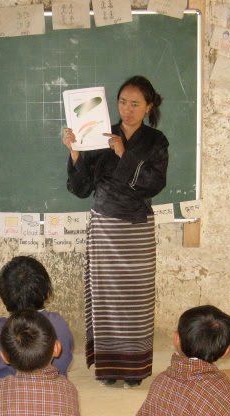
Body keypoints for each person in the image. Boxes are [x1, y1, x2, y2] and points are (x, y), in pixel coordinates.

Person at [63, 75, 169, 388]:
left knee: (136, 300)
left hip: (136, 229)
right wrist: (75, 151)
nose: (127, 109)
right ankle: (108, 367)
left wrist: (125, 154)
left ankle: (134, 369)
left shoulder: (156, 141)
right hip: (105, 227)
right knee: (106, 299)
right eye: (123, 102)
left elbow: (154, 183)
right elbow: (80, 188)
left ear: (148, 107)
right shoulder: (98, 132)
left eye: (136, 104)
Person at [0, 256, 74, 381]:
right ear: (46, 291)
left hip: (8, 394)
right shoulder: (58, 324)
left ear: (4, 295)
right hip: (53, 391)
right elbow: (64, 362)